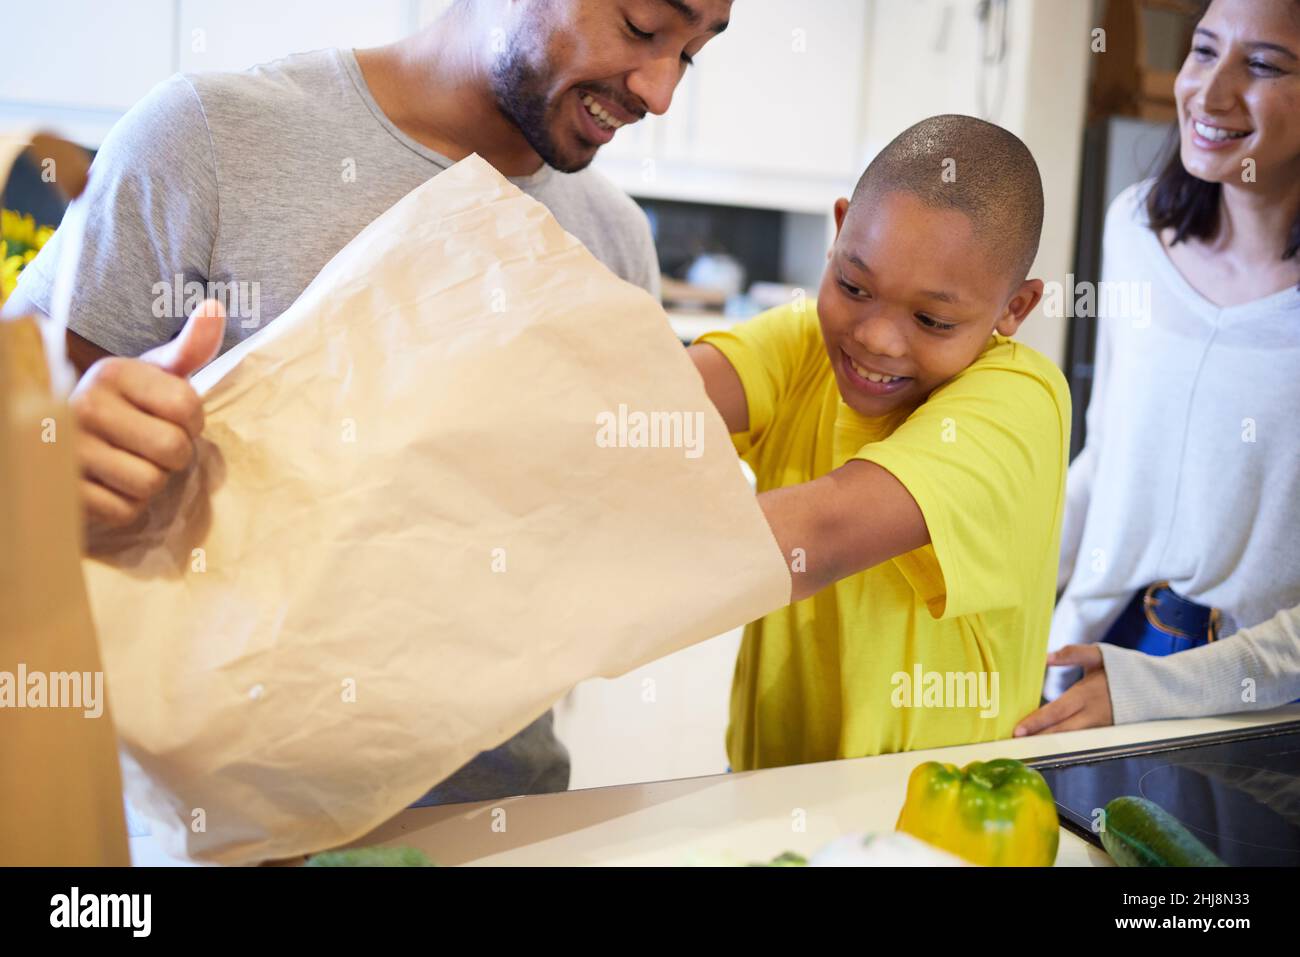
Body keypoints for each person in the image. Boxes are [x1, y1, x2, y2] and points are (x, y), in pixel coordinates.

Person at [3, 0, 733, 806]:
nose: (661, 92)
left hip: (498, 815)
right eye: (641, 28)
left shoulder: (614, 239)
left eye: (693, 55)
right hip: (210, 830)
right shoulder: (210, 138)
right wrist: (55, 447)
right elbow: (18, 432)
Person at [689, 115, 1071, 769]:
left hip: (935, 819)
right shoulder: (804, 339)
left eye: (931, 318)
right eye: (854, 286)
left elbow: (822, 534)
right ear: (838, 233)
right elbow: (652, 404)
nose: (875, 338)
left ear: (1016, 307)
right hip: (765, 795)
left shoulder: (1022, 401)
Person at [1019, 0, 1300, 734]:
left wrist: (1158, 688)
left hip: (1251, 702)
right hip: (1093, 650)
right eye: (1203, 51)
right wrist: (1007, 589)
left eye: (1263, 65)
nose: (1209, 94)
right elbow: (1108, 454)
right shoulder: (1136, 226)